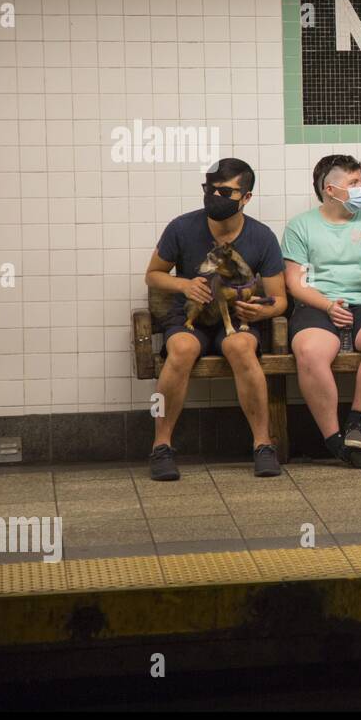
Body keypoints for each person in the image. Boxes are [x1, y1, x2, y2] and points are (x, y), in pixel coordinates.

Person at [144, 157, 287, 480]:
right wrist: (183, 284)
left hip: (236, 319)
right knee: (180, 349)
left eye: (225, 192)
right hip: (190, 316)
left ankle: (263, 445)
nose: (215, 197)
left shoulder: (261, 237)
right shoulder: (182, 227)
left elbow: (280, 300)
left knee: (240, 348)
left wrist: (264, 310)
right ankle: (161, 446)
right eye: (210, 189)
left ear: (246, 198)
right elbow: (153, 275)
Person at [282, 154, 361, 469]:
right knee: (309, 350)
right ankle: (334, 439)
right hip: (317, 306)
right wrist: (327, 305)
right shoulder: (301, 226)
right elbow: (295, 283)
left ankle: (356, 423)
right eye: (354, 183)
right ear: (330, 189)